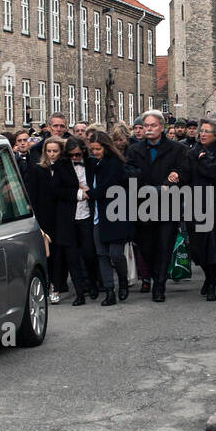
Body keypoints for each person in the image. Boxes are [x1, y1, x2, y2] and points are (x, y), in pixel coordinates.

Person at [126, 110, 191, 303]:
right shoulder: (134, 149)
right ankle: (155, 275)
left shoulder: (176, 149)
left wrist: (174, 178)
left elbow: (184, 171)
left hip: (167, 205)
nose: (149, 129)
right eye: (146, 126)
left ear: (162, 127)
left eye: (153, 125)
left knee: (164, 246)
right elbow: (129, 172)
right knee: (146, 247)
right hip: (143, 204)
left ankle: (160, 284)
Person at [86, 131, 133, 306]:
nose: (95, 152)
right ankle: (109, 291)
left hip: (115, 214)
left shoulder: (114, 163)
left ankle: (122, 281)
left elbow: (106, 189)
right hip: (98, 216)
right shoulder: (93, 163)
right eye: (93, 149)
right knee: (102, 255)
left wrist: (88, 193)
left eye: (98, 149)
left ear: (105, 147)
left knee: (115, 254)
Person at [189, 118, 216, 301]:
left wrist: (204, 161)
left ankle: (212, 285)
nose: (203, 134)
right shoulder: (193, 152)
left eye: (207, 131)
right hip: (197, 204)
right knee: (198, 248)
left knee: (215, 247)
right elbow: (188, 171)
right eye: (202, 131)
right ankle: (208, 277)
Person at [30, 136, 76, 304]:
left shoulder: (65, 167)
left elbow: (71, 186)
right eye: (49, 151)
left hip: (61, 215)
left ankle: (56, 287)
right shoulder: (37, 169)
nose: (51, 154)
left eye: (55, 151)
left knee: (58, 254)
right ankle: (48, 286)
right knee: (46, 254)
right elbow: (32, 194)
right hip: (44, 216)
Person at [65, 138, 99, 305]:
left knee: (89, 254)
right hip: (69, 217)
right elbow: (58, 190)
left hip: (88, 215)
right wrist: (79, 193)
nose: (74, 158)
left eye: (77, 154)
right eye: (71, 155)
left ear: (84, 152)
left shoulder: (92, 164)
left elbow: (100, 186)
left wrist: (89, 193)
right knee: (73, 257)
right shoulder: (62, 166)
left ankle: (93, 284)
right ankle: (79, 293)